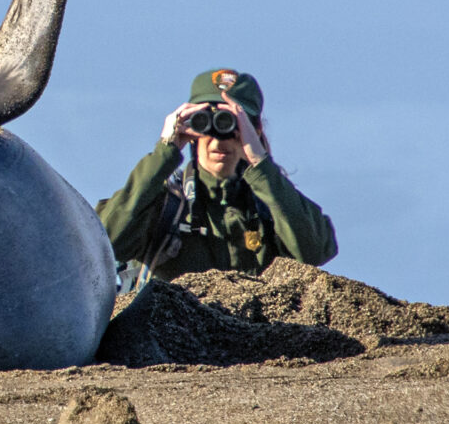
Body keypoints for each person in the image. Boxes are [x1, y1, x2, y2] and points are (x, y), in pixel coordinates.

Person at [97, 69, 336, 289]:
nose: (218, 140)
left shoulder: (272, 207)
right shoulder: (165, 207)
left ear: (255, 131)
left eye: (231, 125)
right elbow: (104, 243)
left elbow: (315, 251)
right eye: (206, 124)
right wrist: (165, 151)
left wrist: (262, 166)